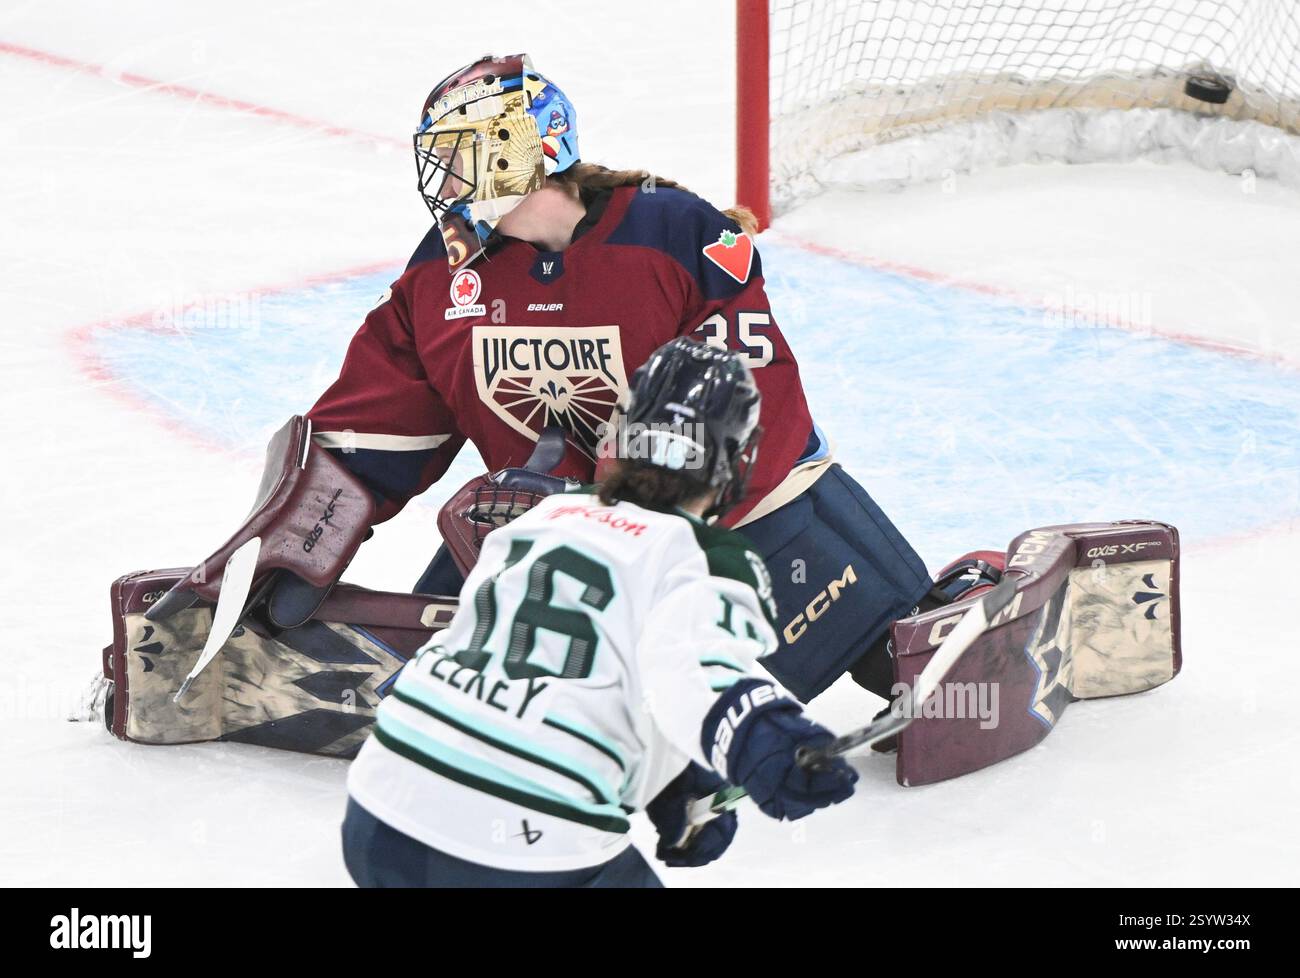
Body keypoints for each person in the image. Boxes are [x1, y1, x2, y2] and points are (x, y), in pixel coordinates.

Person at [306, 52, 955, 708]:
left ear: (526, 150)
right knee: (428, 687)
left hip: (747, 527)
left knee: (910, 677)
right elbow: (377, 417)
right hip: (552, 542)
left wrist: (608, 518)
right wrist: (303, 527)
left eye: (460, 154)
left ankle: (942, 616)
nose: (444, 179)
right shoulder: (441, 277)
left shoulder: (673, 231)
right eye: (437, 159)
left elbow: (744, 404)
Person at [341, 339, 856, 887]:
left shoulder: (541, 519)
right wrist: (768, 739)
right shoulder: (707, 558)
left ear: (619, 434)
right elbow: (693, 675)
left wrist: (675, 784)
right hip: (515, 848)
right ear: (736, 462)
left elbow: (572, 679)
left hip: (379, 808)